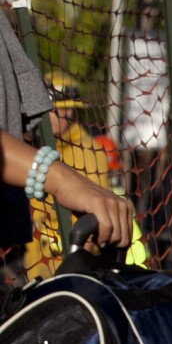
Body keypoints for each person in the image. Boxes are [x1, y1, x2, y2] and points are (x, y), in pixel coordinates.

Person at [22, 71, 116, 279]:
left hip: (64, 262)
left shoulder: (87, 151)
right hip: (31, 258)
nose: (59, 116)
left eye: (66, 110)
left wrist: (77, 266)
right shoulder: (33, 144)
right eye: (53, 110)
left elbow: (95, 213)